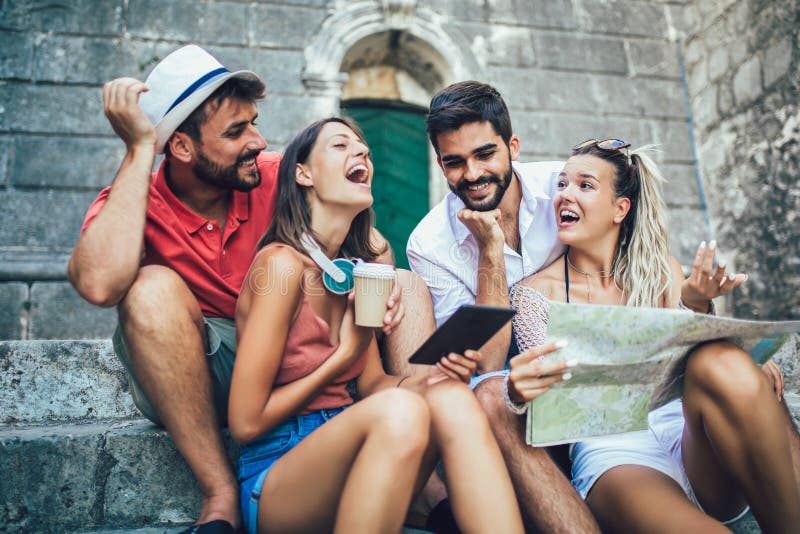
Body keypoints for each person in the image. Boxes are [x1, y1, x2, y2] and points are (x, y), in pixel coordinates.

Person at [67, 45, 407, 533]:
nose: (258, 140)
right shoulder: (136, 199)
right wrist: (140, 148)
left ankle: (407, 450)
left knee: (408, 284)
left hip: (285, 353)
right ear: (181, 148)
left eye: (253, 122)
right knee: (150, 290)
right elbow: (99, 284)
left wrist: (384, 282)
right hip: (197, 364)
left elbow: (368, 239)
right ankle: (220, 493)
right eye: (236, 131)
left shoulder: (271, 174)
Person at [230, 117, 524, 534]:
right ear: (303, 173)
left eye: (363, 147)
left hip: (360, 452)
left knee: (452, 397)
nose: (362, 152)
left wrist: (435, 378)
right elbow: (245, 422)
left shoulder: (357, 271)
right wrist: (344, 356)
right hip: (279, 477)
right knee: (400, 410)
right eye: (340, 145)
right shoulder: (279, 267)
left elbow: (372, 385)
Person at [504, 139, 800, 532]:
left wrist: (698, 307)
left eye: (584, 185)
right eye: (561, 184)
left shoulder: (661, 271)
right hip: (614, 449)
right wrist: (521, 391)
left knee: (724, 361)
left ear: (619, 208)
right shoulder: (533, 294)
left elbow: (692, 359)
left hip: (690, 438)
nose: (565, 196)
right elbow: (552, 398)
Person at [404, 81, 600, 532]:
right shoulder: (429, 244)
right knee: (488, 394)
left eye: (485, 155)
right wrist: (490, 249)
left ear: (513, 146)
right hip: (507, 386)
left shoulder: (564, 189)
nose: (471, 174)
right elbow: (487, 365)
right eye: (454, 162)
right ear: (440, 164)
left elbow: (634, 254)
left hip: (584, 357)